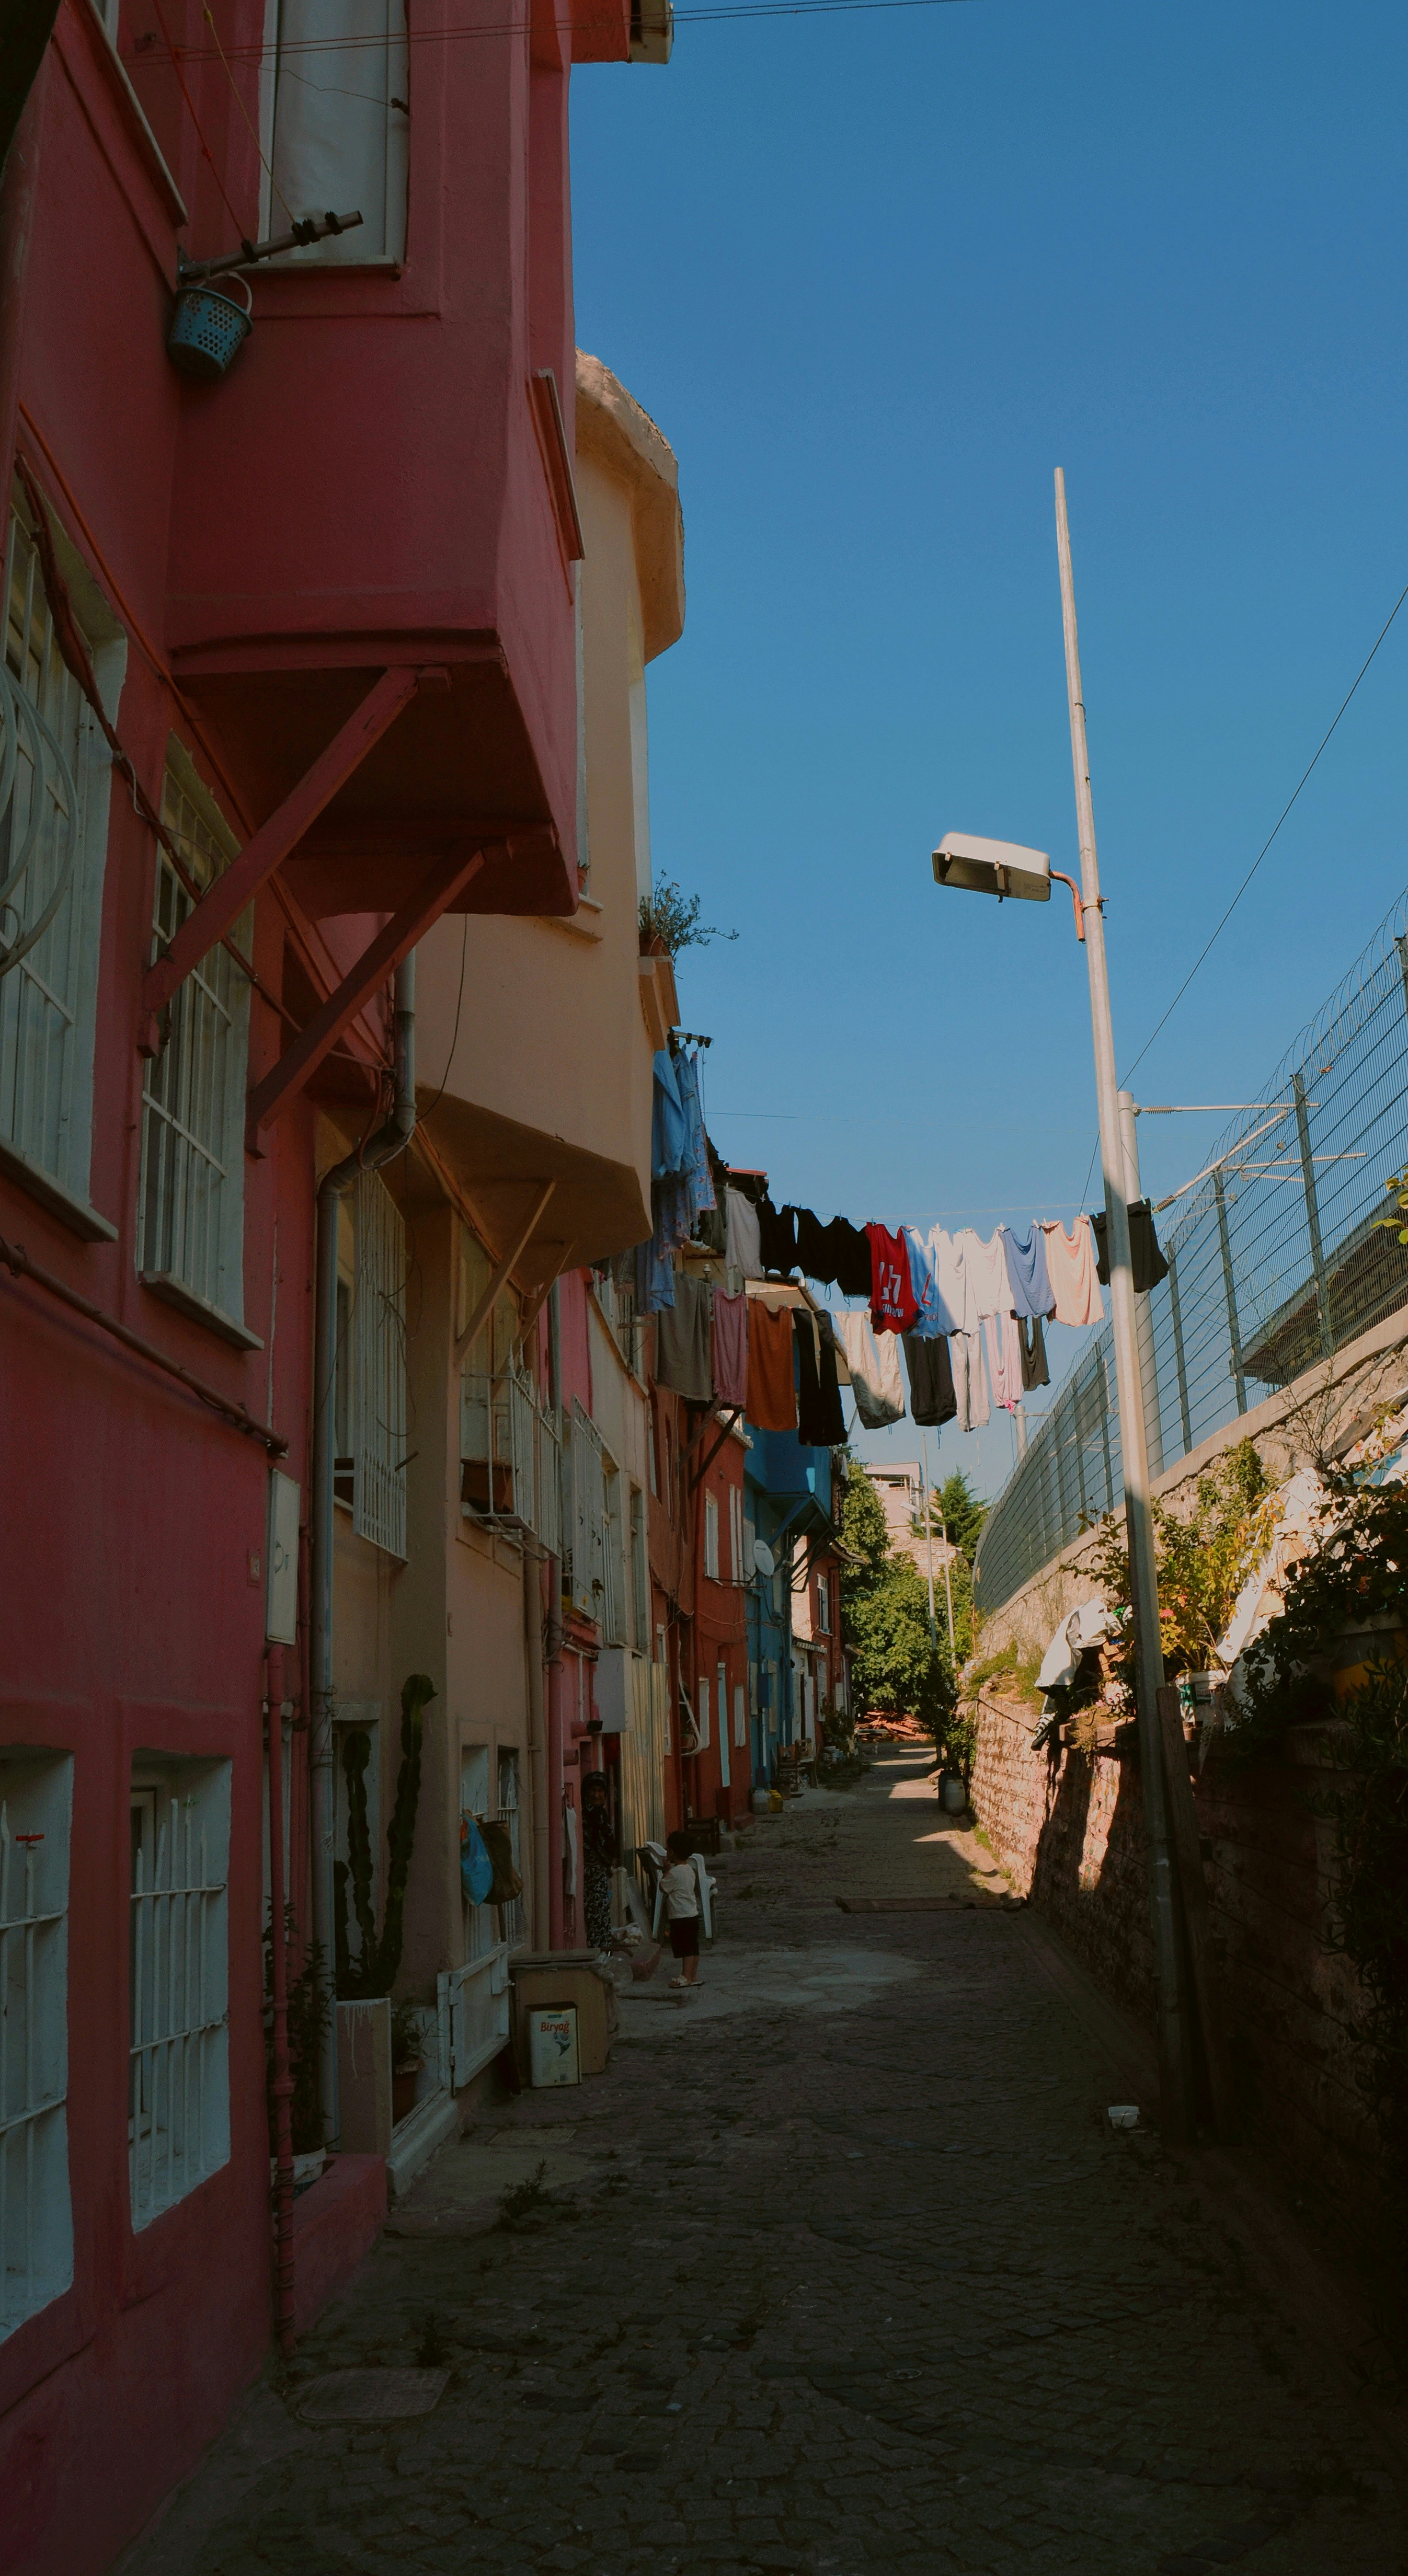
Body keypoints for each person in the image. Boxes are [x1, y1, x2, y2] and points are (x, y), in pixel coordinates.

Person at [659, 1827, 702, 1991]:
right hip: (692, 1914)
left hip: (680, 1916)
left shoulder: (675, 1873)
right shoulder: (690, 1870)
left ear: (674, 1852)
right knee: (693, 1947)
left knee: (685, 1948)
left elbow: (663, 1888)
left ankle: (685, 1976)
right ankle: (693, 1976)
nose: (667, 1852)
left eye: (669, 1850)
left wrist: (666, 1870)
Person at [580, 1768, 616, 1953]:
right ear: (586, 1792)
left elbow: (609, 1846)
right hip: (589, 1878)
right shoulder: (584, 1817)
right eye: (593, 1791)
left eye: (600, 1791)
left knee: (602, 1917)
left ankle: (604, 1957)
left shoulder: (601, 1815)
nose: (596, 1795)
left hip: (601, 1876)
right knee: (594, 1919)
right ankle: (597, 1958)